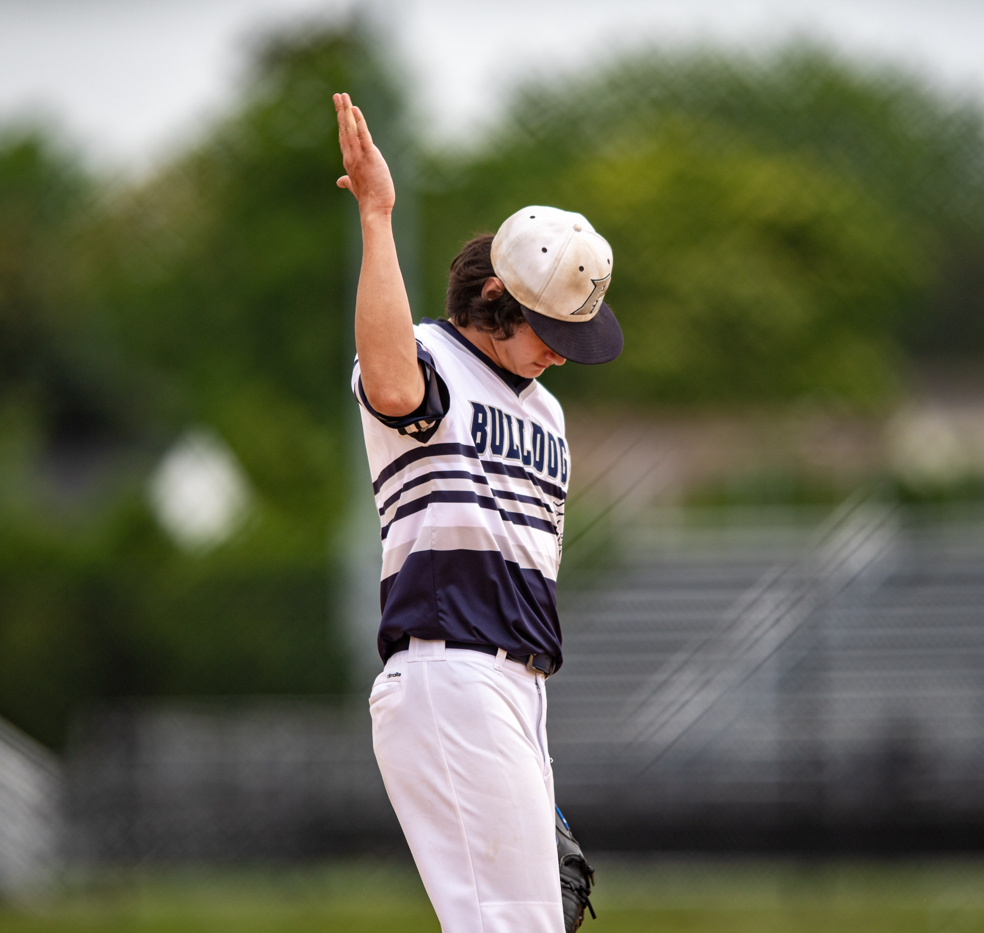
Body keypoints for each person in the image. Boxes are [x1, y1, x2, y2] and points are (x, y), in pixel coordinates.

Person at [334, 91, 621, 933]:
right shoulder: (432, 362)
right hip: (448, 669)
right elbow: (390, 383)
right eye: (544, 328)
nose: (560, 351)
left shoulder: (547, 412)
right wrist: (378, 218)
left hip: (514, 687)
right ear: (495, 297)